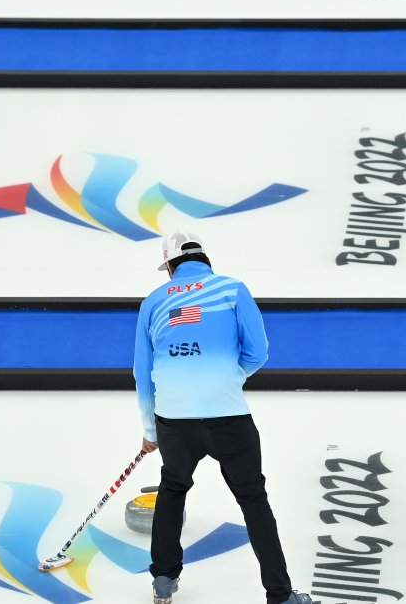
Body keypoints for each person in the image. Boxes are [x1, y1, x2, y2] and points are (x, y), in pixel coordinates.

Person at [133, 229, 312, 604]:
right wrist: (227, 377)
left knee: (172, 489)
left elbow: (143, 373)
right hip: (228, 416)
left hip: (174, 419)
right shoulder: (232, 289)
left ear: (169, 266)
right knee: (253, 500)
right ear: (205, 260)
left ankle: (163, 579)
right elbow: (258, 352)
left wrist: (150, 430)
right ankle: (280, 595)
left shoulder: (153, 302)